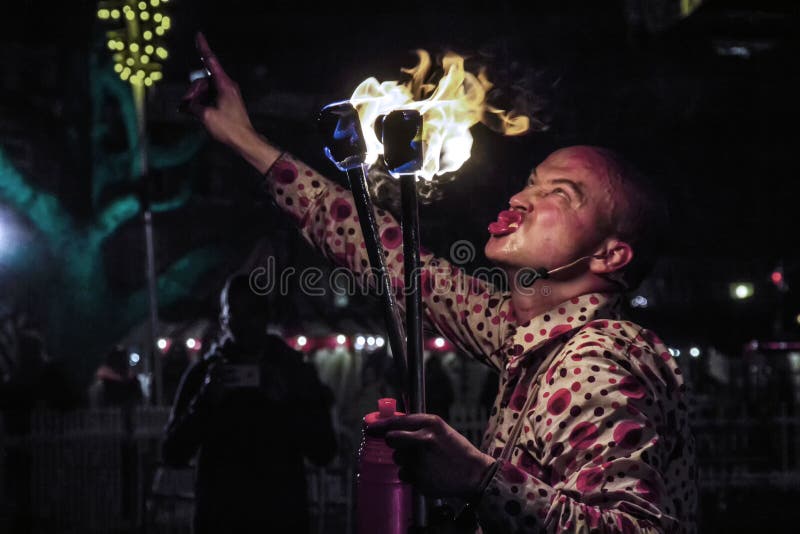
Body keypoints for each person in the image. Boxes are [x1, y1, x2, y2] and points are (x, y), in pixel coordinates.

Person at [182, 33, 696, 532]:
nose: (520, 199)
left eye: (559, 194)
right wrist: (244, 139)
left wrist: (476, 478)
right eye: (529, 183)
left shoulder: (599, 355)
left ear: (611, 255)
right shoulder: (522, 335)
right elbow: (376, 247)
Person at [161, 273, 337, 533]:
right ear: (224, 320)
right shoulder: (205, 375)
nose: (245, 322)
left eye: (253, 311)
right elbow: (172, 453)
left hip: (280, 519)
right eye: (236, 313)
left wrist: (286, 402)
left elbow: (324, 451)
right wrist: (206, 401)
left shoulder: (294, 371)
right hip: (221, 519)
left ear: (266, 315)